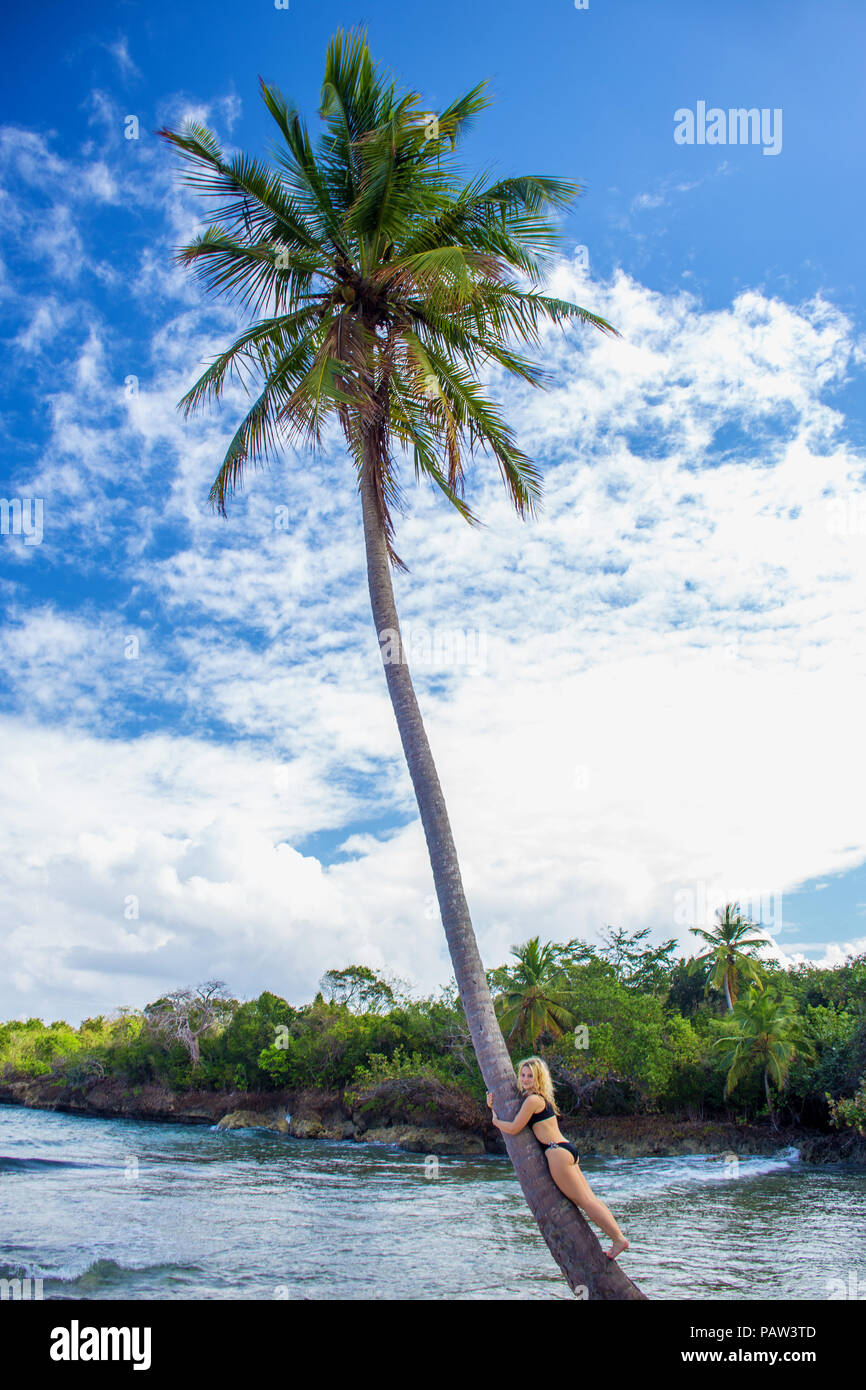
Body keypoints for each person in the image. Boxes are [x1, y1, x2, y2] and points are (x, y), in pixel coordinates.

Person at [486, 1055, 629, 1260]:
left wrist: (495, 1120)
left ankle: (618, 1239)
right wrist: (492, 1104)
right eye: (523, 1075)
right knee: (590, 1200)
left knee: (586, 1202)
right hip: (566, 1150)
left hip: (557, 1154)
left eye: (530, 1076)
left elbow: (515, 1127)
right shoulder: (541, 1099)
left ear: (539, 1078)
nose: (525, 1079)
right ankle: (617, 1238)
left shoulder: (533, 1100)